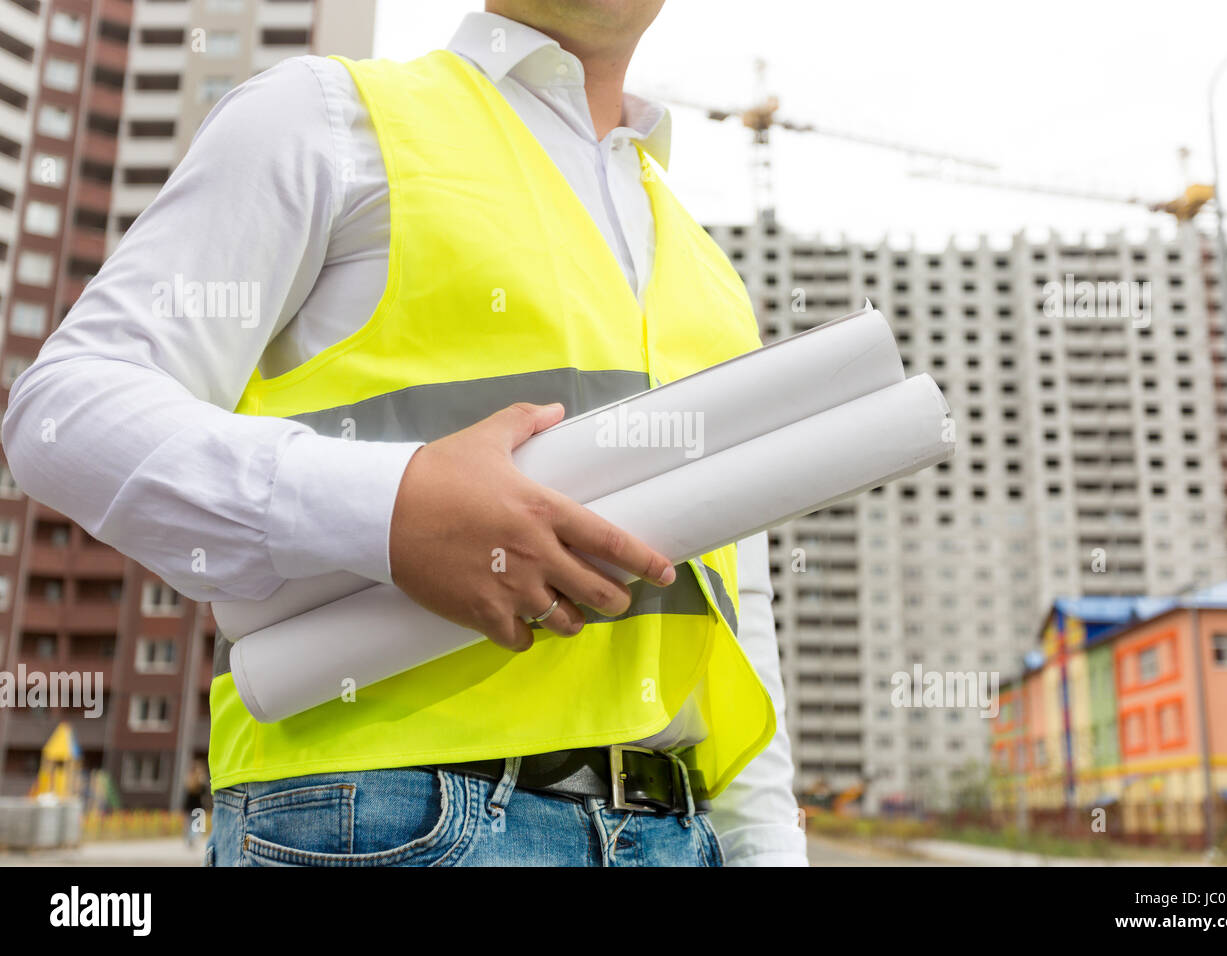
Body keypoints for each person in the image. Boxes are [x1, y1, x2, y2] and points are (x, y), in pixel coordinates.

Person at [3, 1, 807, 867]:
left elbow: (736, 609)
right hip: (384, 819)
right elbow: (65, 410)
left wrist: (767, 847)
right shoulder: (324, 116)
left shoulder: (710, 274)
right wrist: (392, 510)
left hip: (679, 832)